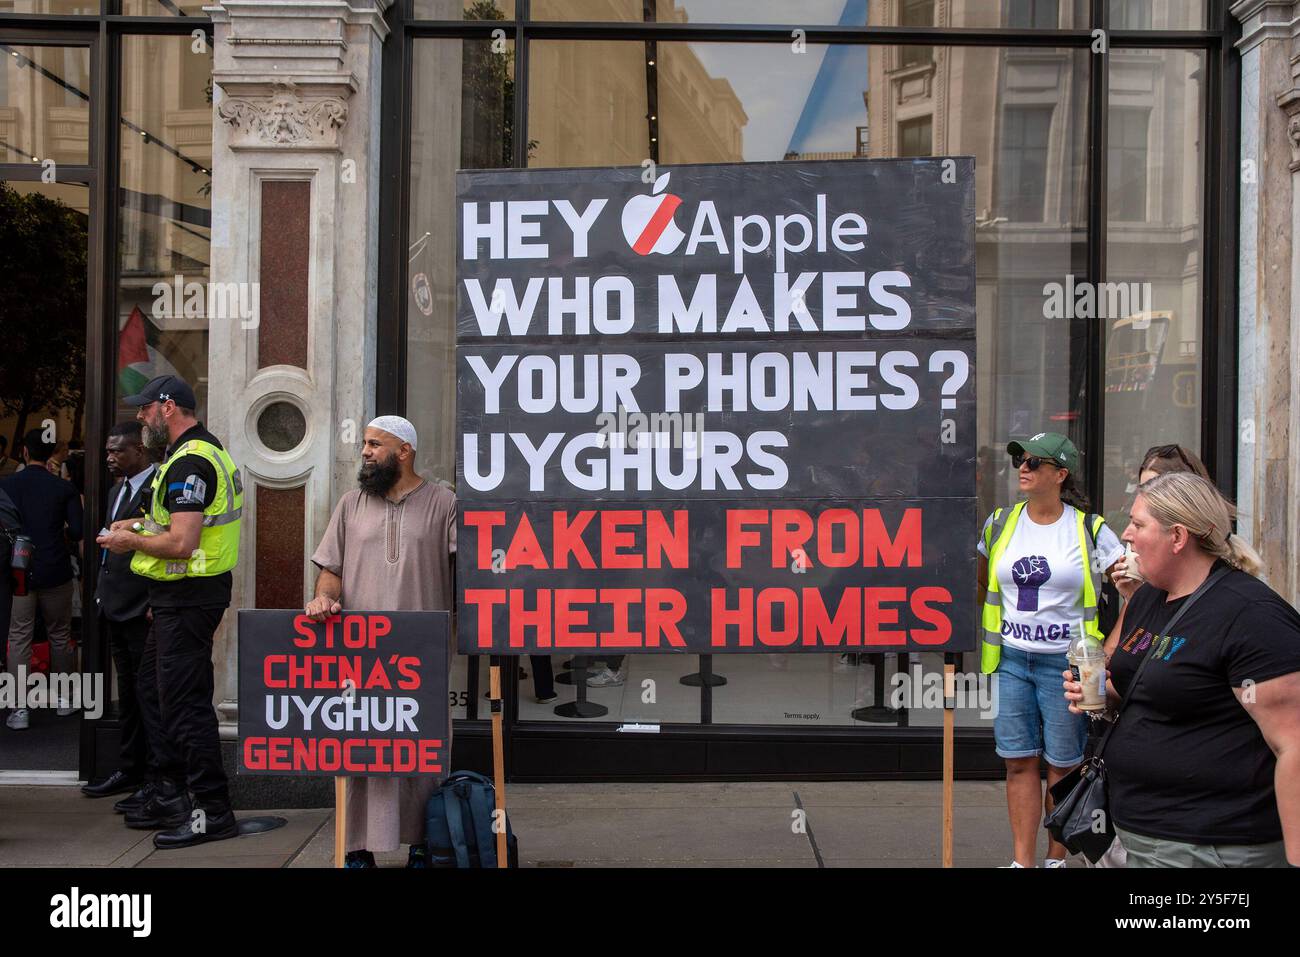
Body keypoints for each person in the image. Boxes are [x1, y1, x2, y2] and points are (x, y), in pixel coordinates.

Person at [1064, 472, 1300, 867]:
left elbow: (1293, 744)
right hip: (1135, 835)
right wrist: (1104, 696)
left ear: (1177, 537)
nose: (1126, 535)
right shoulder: (1148, 599)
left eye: (1139, 524)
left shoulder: (1252, 615)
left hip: (1211, 846)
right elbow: (1153, 690)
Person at [96, 375, 243, 848]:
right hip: (179, 597)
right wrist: (137, 522)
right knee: (156, 692)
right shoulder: (185, 456)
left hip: (190, 596)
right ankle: (171, 794)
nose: (139, 417)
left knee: (184, 705)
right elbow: (175, 523)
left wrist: (127, 541)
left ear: (167, 407)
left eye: (144, 409)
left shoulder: (191, 460)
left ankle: (211, 810)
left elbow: (182, 542)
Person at [305, 415, 456, 868]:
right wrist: (321, 599)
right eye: (364, 444)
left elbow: (472, 574)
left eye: (375, 444)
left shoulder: (444, 504)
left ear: (404, 451)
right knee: (360, 746)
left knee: (421, 747)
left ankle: (423, 843)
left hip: (420, 654)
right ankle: (355, 847)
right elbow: (330, 571)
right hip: (360, 654)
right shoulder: (351, 505)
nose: (366, 452)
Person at [976, 431, 1123, 868]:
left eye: (1035, 462)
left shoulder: (1088, 528)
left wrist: (1110, 649)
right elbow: (984, 580)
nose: (1024, 466)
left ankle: (1055, 860)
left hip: (1068, 665)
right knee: (1017, 761)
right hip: (1012, 660)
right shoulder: (1000, 522)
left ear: (1060, 474)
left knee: (1064, 763)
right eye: (1021, 459)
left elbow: (1136, 589)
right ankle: (1023, 862)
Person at [82, 422, 156, 799]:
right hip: (113, 607)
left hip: (142, 610)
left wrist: (154, 603)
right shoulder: (115, 490)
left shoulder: (156, 488)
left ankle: (152, 779)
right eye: (108, 451)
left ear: (139, 451)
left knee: (149, 697)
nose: (110, 457)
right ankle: (129, 770)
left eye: (118, 451)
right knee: (126, 696)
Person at [2, 428, 84, 730]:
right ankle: (64, 700)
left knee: (18, 636)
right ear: (51, 454)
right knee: (60, 635)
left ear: (24, 451)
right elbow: (77, 531)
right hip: (55, 568)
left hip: (18, 569)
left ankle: (19, 709)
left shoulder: (7, 485)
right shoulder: (63, 489)